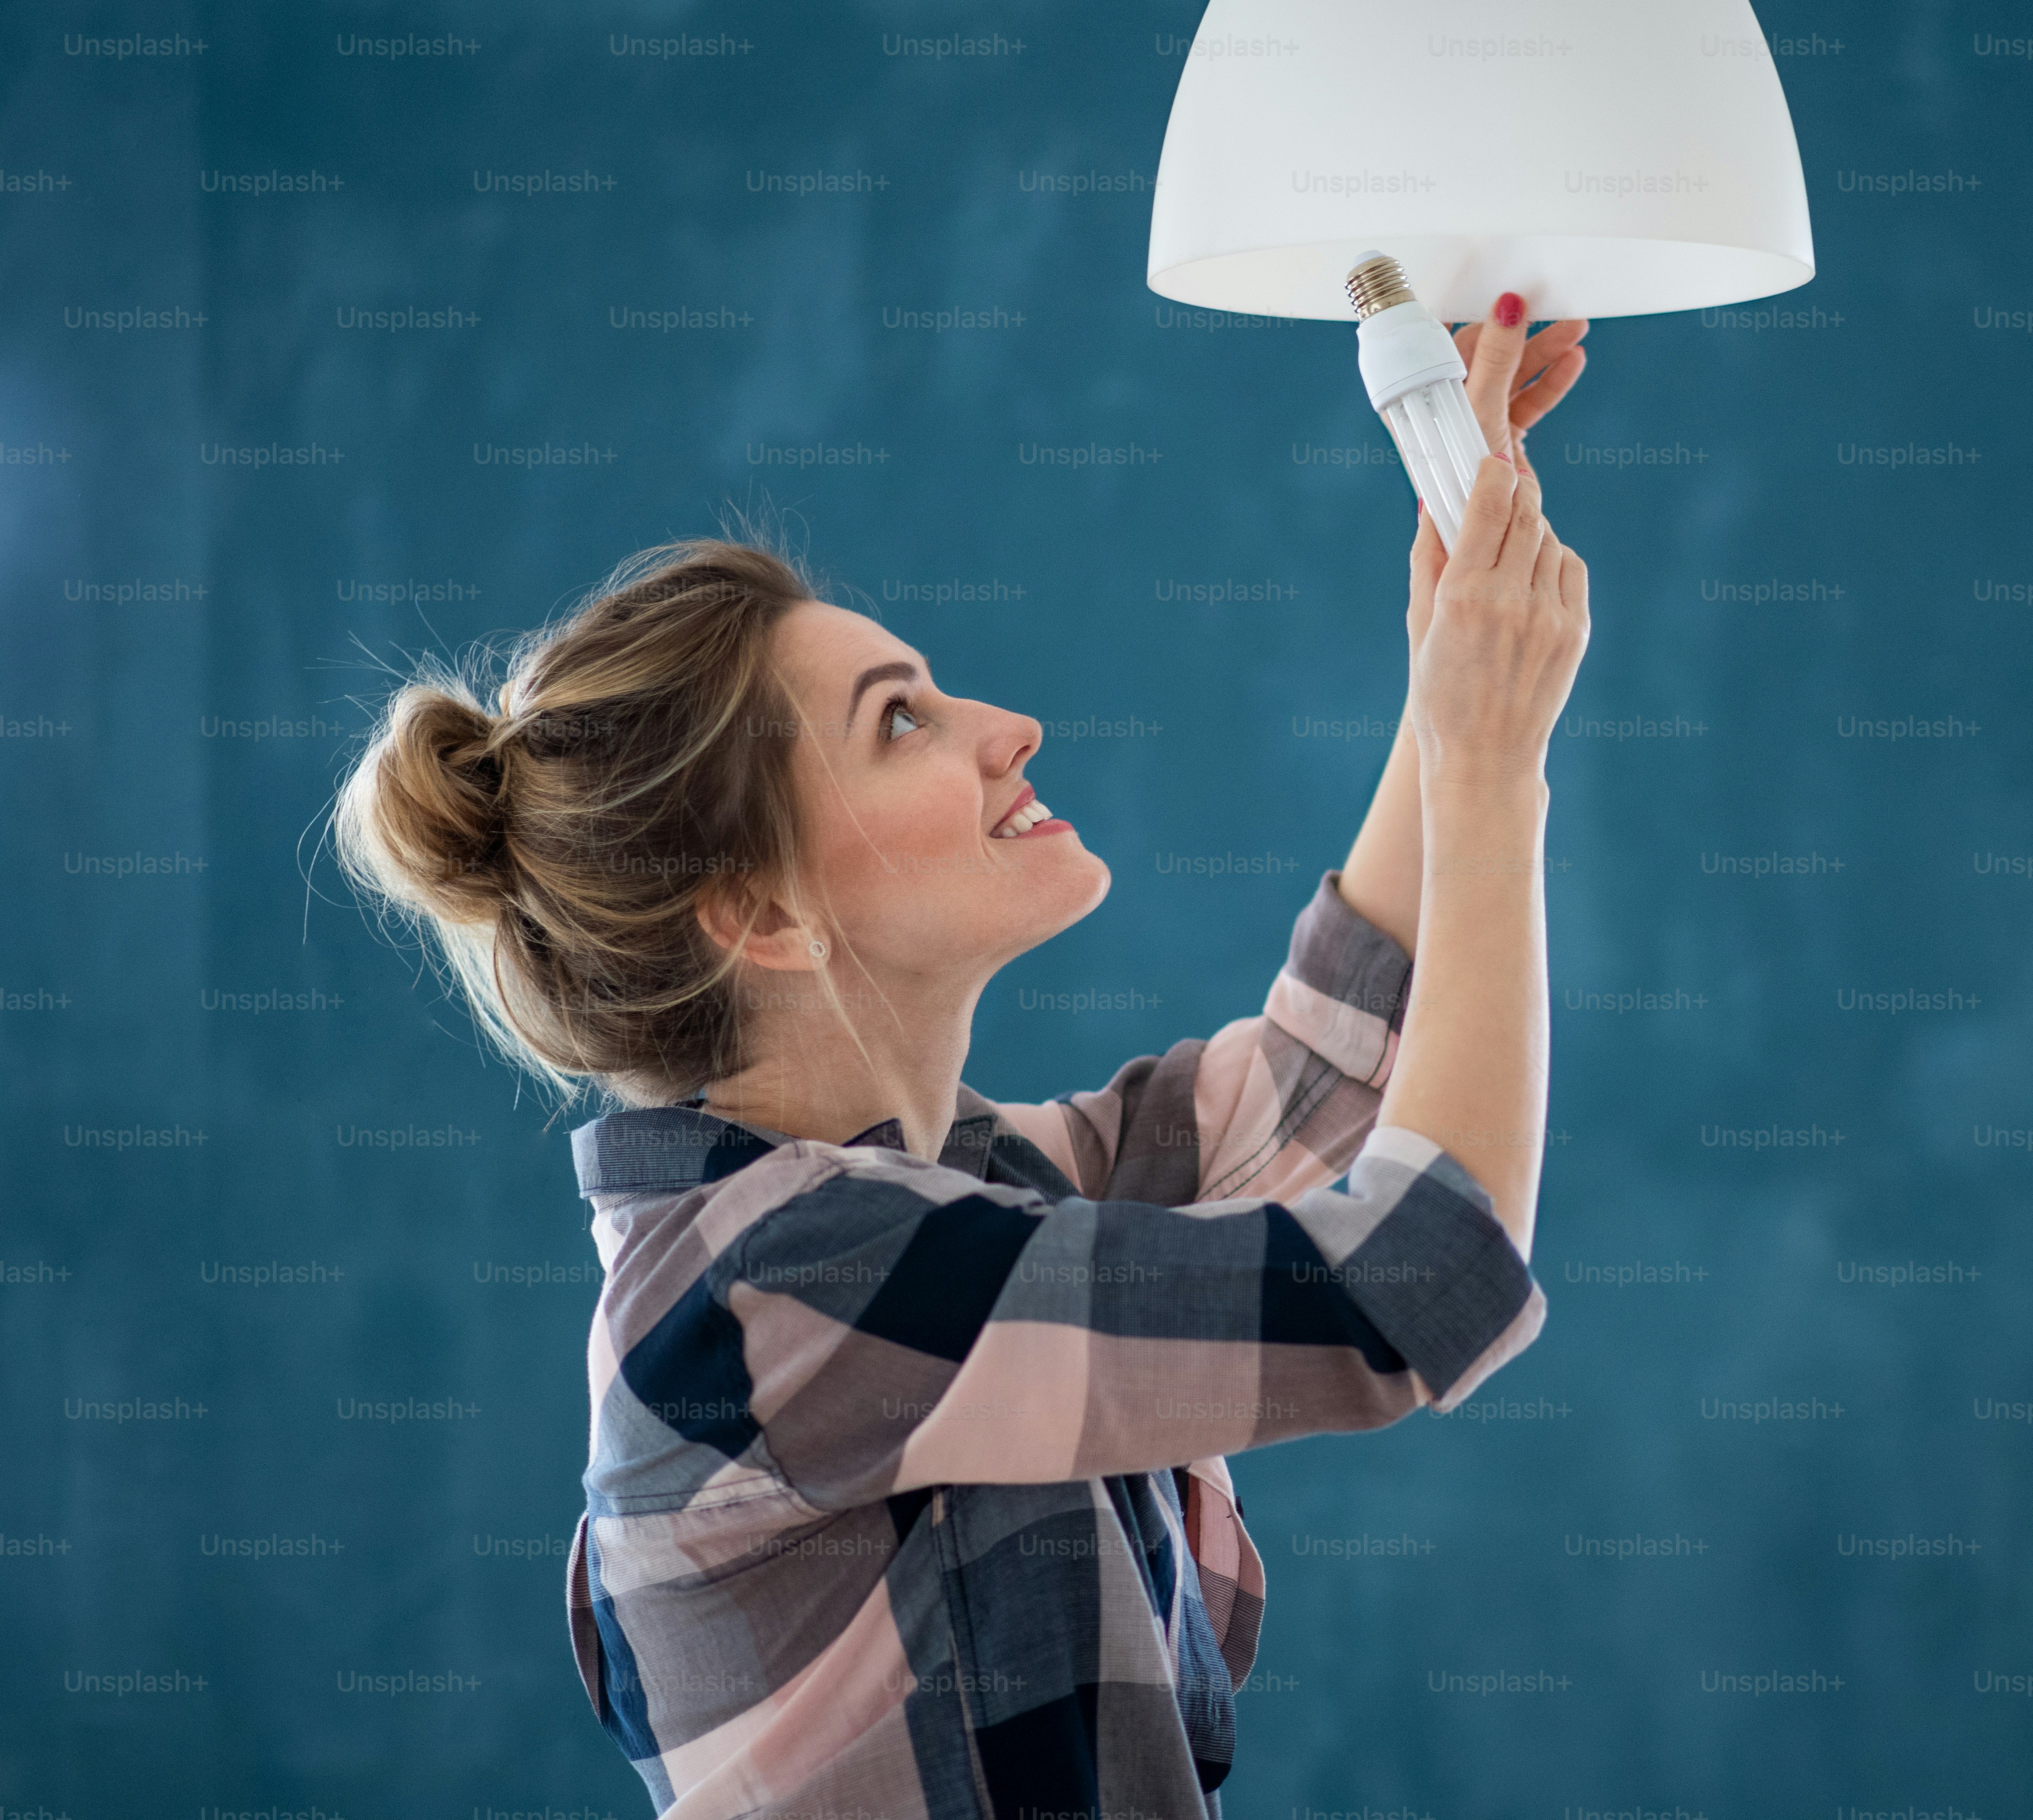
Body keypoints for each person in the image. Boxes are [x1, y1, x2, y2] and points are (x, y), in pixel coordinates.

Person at [330, 298, 1592, 1818]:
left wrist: (1454, 634)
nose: (1009, 728)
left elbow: (1316, 1084)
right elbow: (1415, 1283)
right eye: (902, 721)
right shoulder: (784, 1285)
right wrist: (1489, 762)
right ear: (758, 912)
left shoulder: (939, 1197)